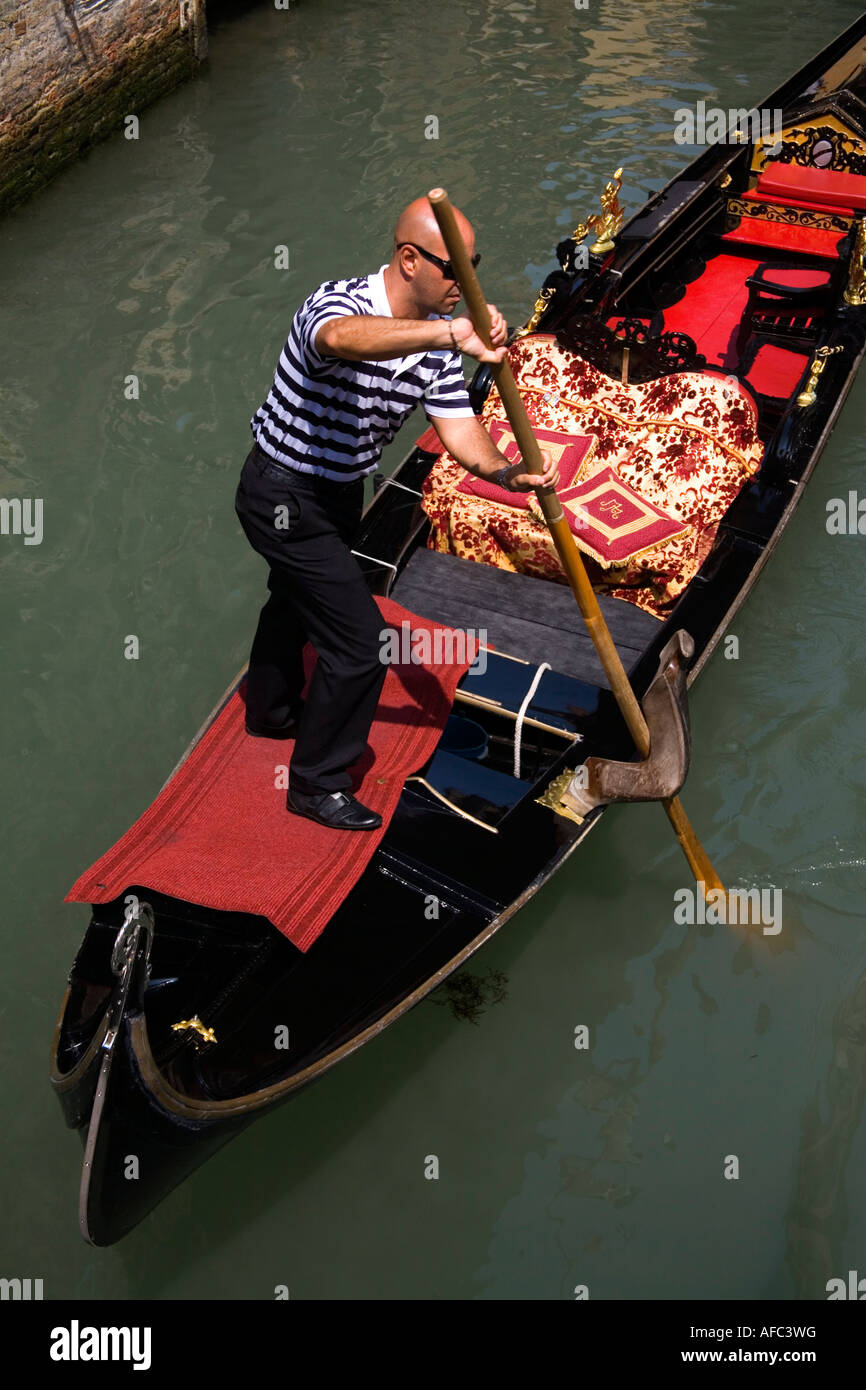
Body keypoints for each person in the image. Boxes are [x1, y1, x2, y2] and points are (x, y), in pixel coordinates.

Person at [235, 196, 558, 832]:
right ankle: (315, 784)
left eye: (474, 268)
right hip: (281, 492)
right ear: (409, 261)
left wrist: (505, 472)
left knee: (293, 600)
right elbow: (340, 341)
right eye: (454, 270)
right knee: (360, 645)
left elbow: (460, 430)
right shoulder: (340, 304)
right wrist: (450, 332)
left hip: (336, 492)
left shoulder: (438, 349)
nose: (465, 286)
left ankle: (269, 710)